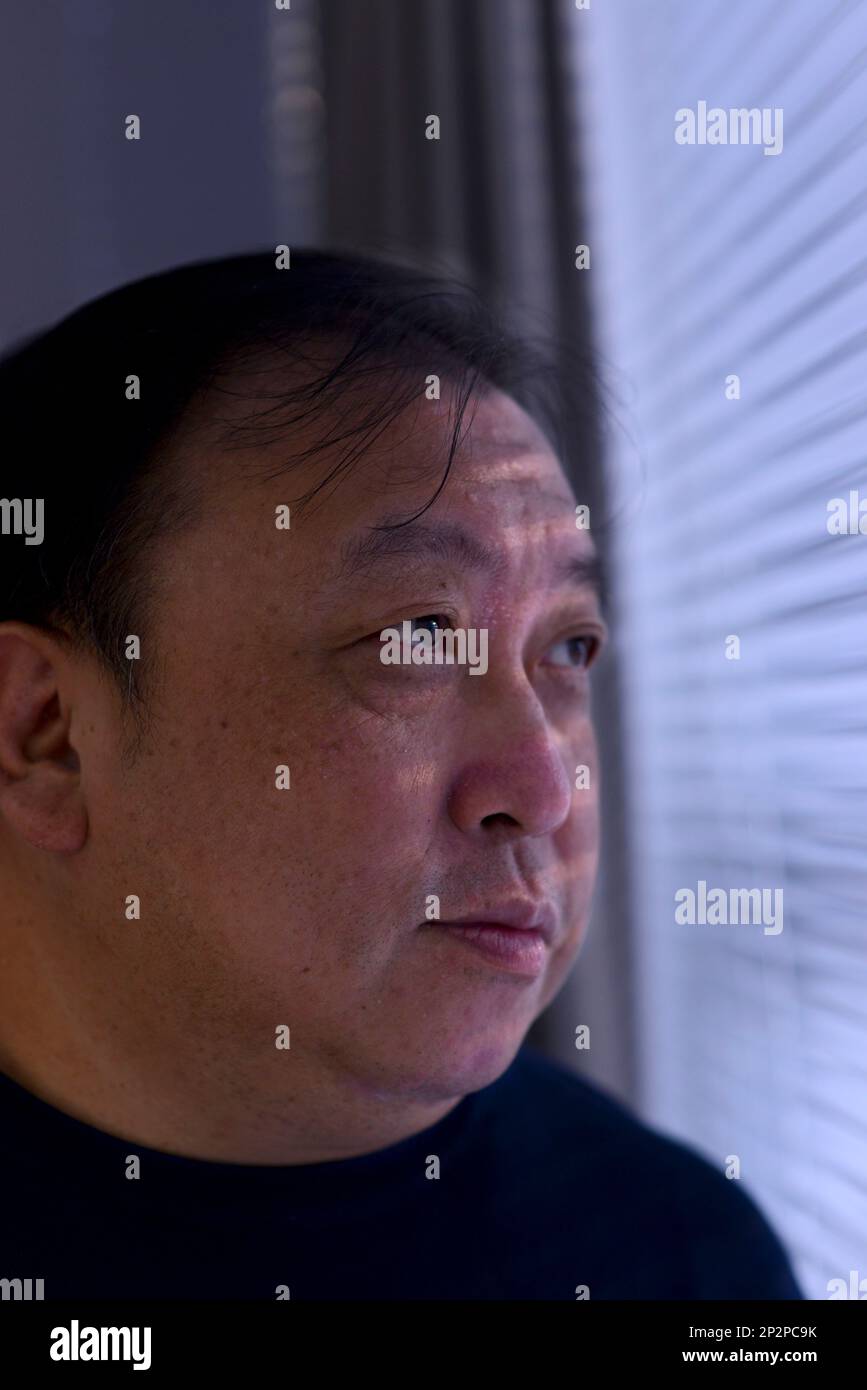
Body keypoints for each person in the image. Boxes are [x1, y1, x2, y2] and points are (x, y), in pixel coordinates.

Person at [0, 250, 802, 1299]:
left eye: (568, 648)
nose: (546, 792)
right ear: (47, 733)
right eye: (419, 634)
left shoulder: (685, 1261)